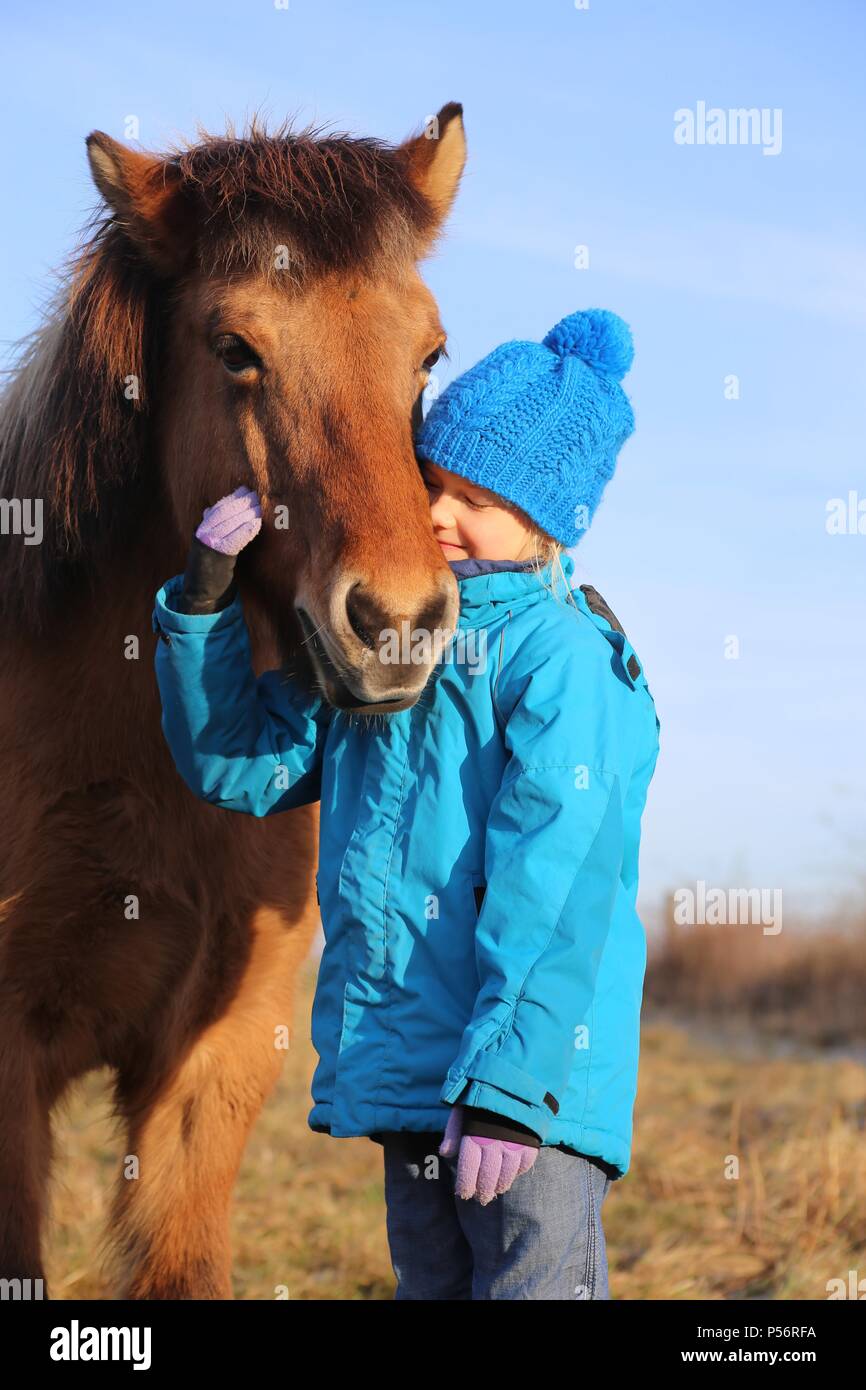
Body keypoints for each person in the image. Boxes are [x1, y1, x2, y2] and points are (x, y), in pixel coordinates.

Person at [151, 308, 661, 1300]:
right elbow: (239, 760)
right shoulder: (386, 646)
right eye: (430, 482)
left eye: (471, 497)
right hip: (412, 1079)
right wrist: (203, 604)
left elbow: (559, 888)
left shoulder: (559, 662)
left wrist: (512, 1091)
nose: (434, 512)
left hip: (530, 1097)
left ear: (545, 522)